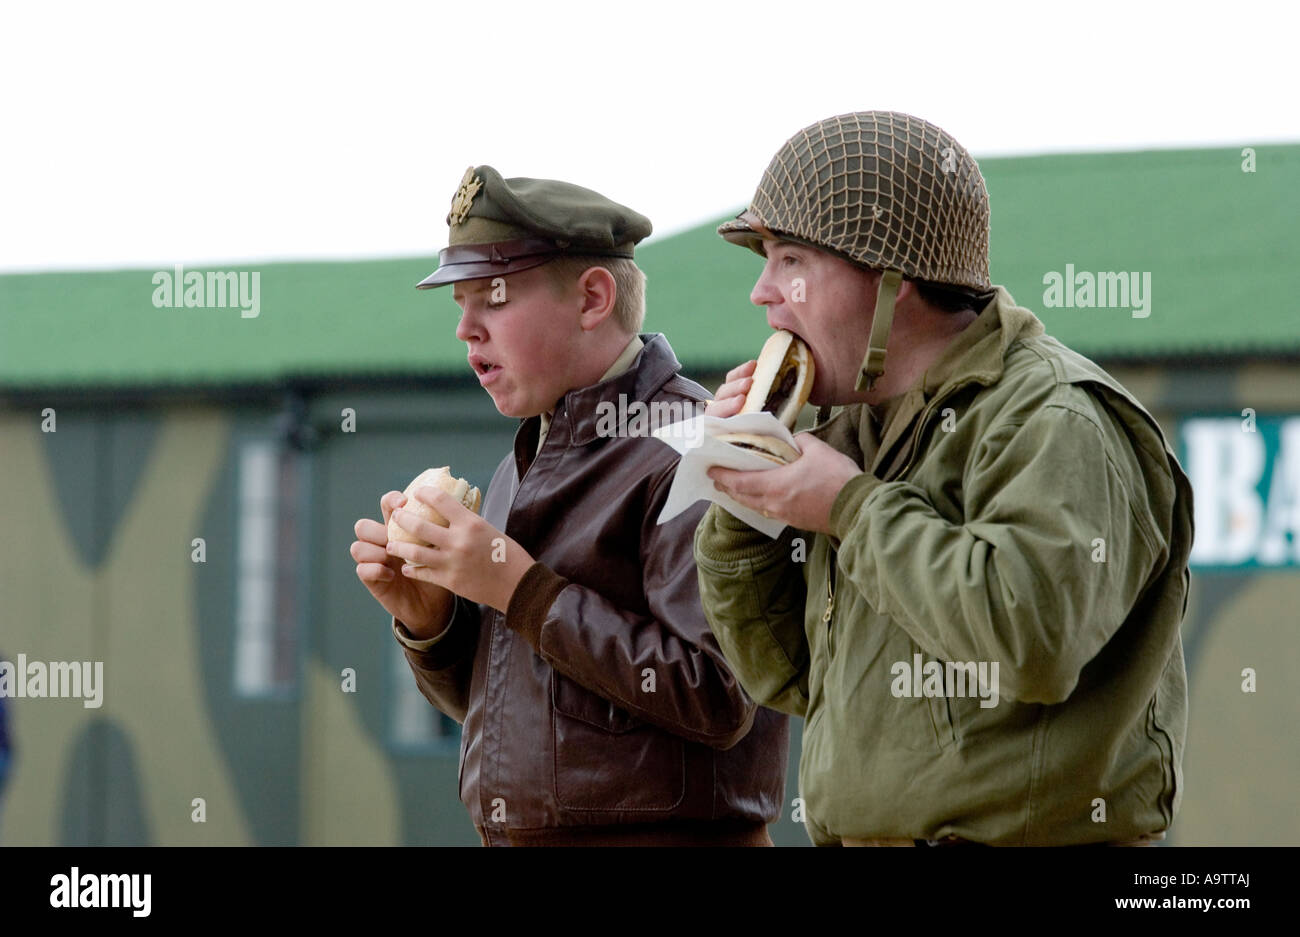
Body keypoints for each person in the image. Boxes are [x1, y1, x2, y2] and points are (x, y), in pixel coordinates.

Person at [694, 112, 1193, 846]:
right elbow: (787, 677)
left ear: (893, 281)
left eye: (792, 260)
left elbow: (1034, 639)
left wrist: (852, 509)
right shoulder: (857, 429)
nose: (763, 292)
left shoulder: (1055, 418)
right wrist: (747, 490)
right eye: (766, 259)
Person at [350, 166, 787, 845]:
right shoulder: (519, 465)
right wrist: (431, 622)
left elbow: (719, 692)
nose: (466, 329)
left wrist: (519, 587)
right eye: (459, 304)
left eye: (491, 299)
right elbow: (524, 712)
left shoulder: (696, 449)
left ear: (592, 298)